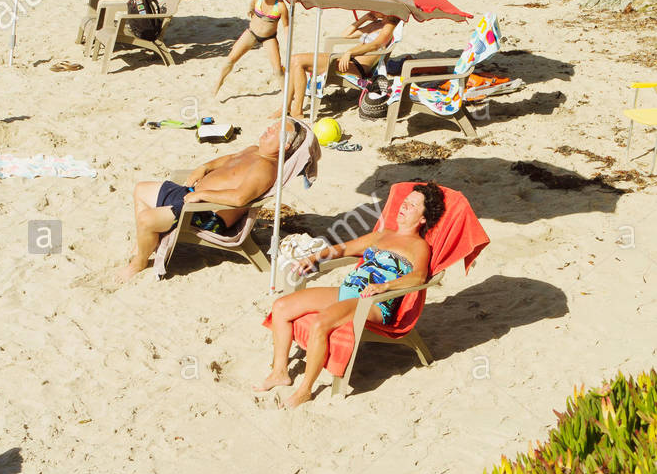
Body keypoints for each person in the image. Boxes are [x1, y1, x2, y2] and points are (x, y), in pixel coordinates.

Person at [258, 180, 445, 407]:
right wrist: (315, 257)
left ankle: (305, 389)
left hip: (374, 303)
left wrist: (384, 287)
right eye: (405, 202)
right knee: (281, 306)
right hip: (348, 292)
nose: (404, 206)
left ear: (423, 218)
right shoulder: (382, 235)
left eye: (413, 205)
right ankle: (280, 372)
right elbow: (345, 248)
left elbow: (418, 277)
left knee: (320, 323)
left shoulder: (419, 246)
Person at [120, 120, 294, 280]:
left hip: (206, 213)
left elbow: (239, 197)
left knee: (146, 220)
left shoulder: (266, 168)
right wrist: (204, 167)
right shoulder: (253, 150)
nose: (269, 128)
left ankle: (140, 261)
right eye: (273, 125)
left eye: (276, 130)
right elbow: (229, 159)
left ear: (285, 145)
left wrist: (202, 195)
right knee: (140, 189)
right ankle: (147, 241)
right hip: (192, 196)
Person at [287, 11, 400, 118]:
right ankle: (286, 107)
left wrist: (350, 52)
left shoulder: (390, 26)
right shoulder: (375, 24)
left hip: (356, 67)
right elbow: (346, 34)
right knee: (294, 59)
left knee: (298, 61)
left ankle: (297, 111)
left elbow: (375, 45)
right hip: (346, 60)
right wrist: (364, 18)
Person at [215, 0, 288, 97]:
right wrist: (250, 9)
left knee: (278, 70)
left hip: (269, 38)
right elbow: (252, 6)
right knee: (229, 60)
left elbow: (286, 25)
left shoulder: (280, 6)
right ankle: (219, 82)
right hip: (251, 33)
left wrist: (288, 39)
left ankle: (287, 97)